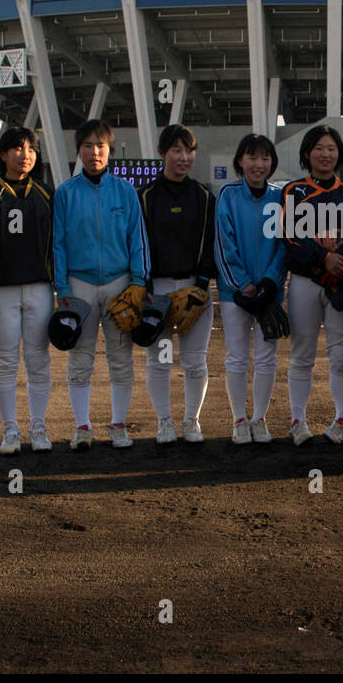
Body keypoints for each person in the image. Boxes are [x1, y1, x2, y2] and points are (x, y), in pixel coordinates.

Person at [52, 120, 150, 450]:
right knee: (81, 356)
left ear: (109, 150)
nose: (95, 152)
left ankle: (119, 424)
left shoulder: (125, 191)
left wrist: (138, 280)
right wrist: (62, 289)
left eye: (101, 146)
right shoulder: (65, 193)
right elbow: (58, 244)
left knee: (121, 356)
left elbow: (137, 238)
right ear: (78, 150)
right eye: (88, 146)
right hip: (78, 285)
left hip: (120, 283)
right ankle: (82, 427)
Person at [280, 124, 343, 445]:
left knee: (341, 354)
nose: (325, 154)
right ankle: (297, 421)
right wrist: (322, 258)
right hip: (305, 281)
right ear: (307, 153)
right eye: (318, 148)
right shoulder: (293, 191)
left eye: (331, 148)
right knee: (302, 354)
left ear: (339, 154)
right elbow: (290, 238)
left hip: (342, 280)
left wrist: (339, 261)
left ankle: (342, 419)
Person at [0, 127, 55, 455]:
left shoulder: (47, 194)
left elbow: (55, 245)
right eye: (18, 148)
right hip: (1, 288)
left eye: (31, 149)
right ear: (3, 154)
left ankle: (38, 426)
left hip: (38, 286)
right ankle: (10, 430)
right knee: (5, 359)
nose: (26, 154)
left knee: (38, 359)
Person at [138, 124, 217, 444]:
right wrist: (142, 284)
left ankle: (191, 421)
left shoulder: (203, 196)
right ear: (162, 153)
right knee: (161, 360)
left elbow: (211, 242)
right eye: (176, 151)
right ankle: (165, 422)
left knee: (195, 360)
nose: (184, 157)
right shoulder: (145, 196)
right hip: (156, 291)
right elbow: (137, 243)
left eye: (189, 151)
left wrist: (201, 281)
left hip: (193, 288)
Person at [214, 133, 287, 445]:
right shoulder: (227, 194)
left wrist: (270, 282)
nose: (259, 164)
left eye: (265, 158)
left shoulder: (281, 195)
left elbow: (285, 244)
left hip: (270, 292)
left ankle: (259, 417)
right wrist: (243, 285)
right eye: (253, 157)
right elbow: (224, 243)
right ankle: (238, 419)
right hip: (235, 294)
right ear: (240, 161)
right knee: (237, 357)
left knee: (268, 358)